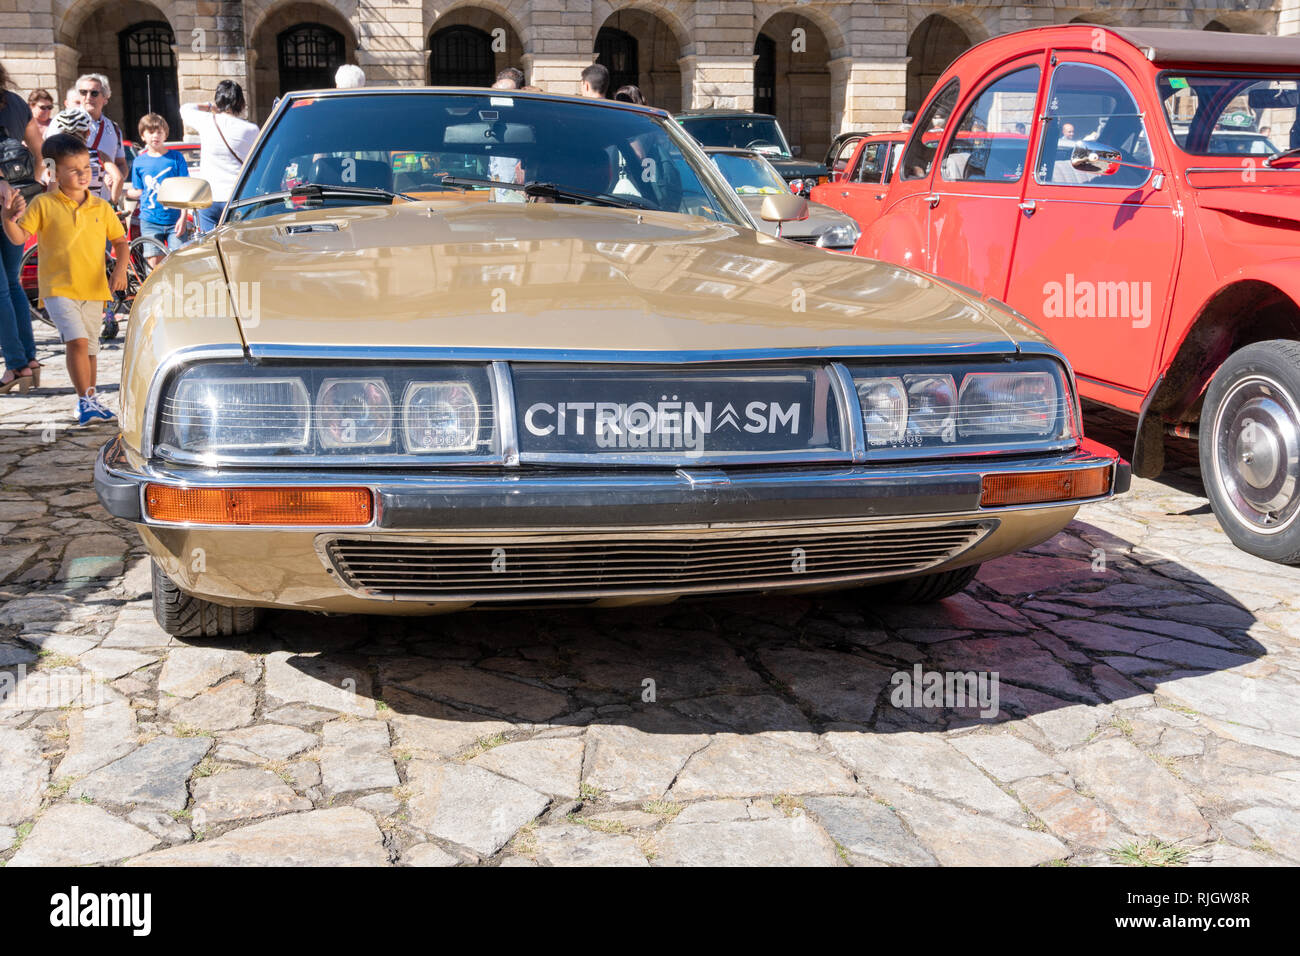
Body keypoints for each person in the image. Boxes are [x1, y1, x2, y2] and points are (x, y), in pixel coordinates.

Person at [1, 133, 126, 423]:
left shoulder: (101, 206)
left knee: (91, 349)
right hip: (59, 289)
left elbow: (120, 242)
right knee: (78, 342)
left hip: (94, 289)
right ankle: (84, 400)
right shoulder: (43, 204)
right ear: (54, 171)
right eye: (74, 170)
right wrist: (8, 219)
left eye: (87, 168)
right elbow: (20, 236)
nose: (84, 175)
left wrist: (119, 270)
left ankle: (90, 398)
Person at [0, 63, 43, 393]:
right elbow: (38, 148)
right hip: (18, 201)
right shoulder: (15, 101)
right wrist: (34, 183)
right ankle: (29, 360)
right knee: (12, 283)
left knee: (2, 289)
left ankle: (15, 366)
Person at [180, 81, 259, 233]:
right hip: (238, 196)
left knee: (211, 246)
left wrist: (210, 107)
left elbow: (185, 108)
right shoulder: (251, 129)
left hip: (209, 197)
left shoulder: (206, 121)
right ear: (240, 102)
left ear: (219, 100)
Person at [125, 113, 188, 268]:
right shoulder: (139, 161)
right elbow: (138, 190)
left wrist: (184, 217)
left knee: (178, 261)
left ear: (165, 134)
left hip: (175, 220)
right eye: (150, 132)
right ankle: (156, 292)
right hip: (150, 220)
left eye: (159, 132)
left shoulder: (176, 158)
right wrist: (128, 193)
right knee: (153, 263)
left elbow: (185, 188)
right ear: (143, 136)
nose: (155, 136)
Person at [75, 74, 126, 204]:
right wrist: (52, 185)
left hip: (103, 202)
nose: (88, 97)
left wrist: (115, 179)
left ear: (105, 98)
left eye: (94, 93)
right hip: (72, 203)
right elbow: (48, 159)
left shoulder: (113, 128)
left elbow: (121, 164)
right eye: (83, 92)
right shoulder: (65, 123)